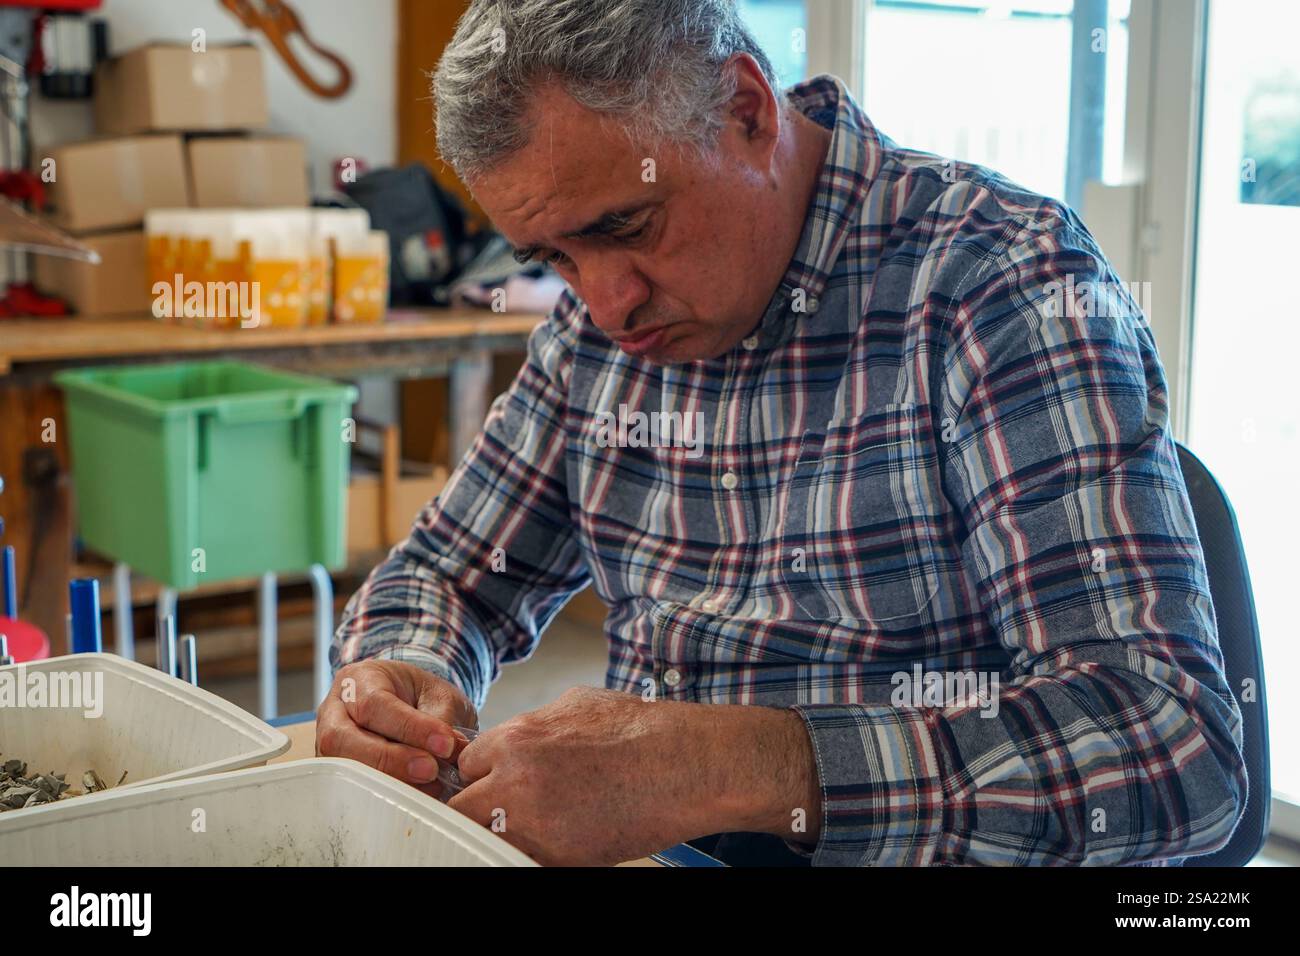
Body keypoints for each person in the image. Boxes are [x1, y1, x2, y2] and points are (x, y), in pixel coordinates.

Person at [317, 0, 1246, 867]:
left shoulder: (1004, 290)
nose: (605, 303)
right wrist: (396, 675)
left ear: (747, 110)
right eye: (555, 257)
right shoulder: (596, 336)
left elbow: (1170, 746)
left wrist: (732, 767)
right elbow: (444, 574)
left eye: (628, 225)